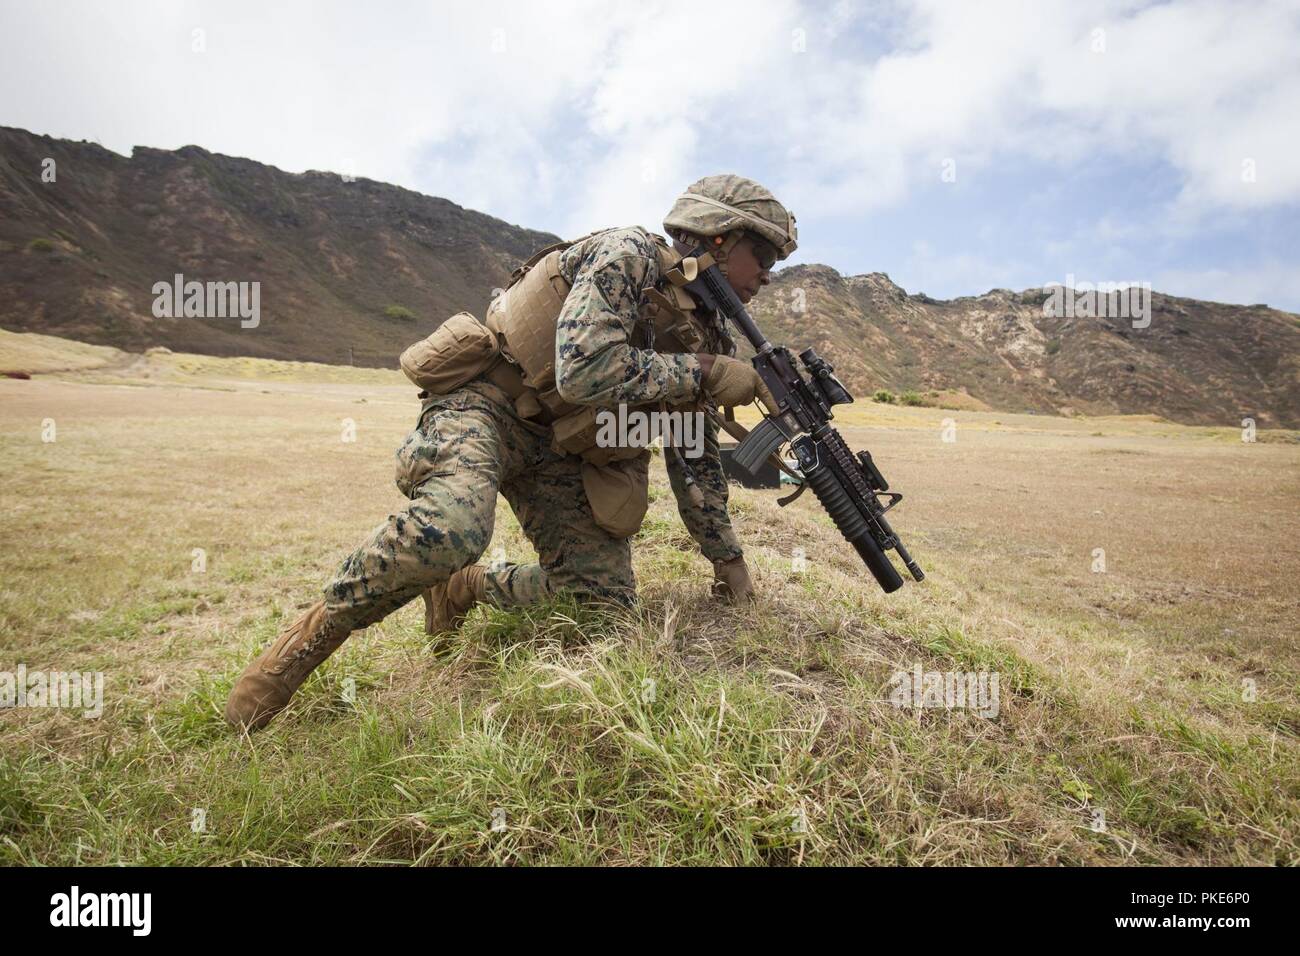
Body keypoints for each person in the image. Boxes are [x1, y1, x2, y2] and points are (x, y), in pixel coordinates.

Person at [225, 174, 797, 730]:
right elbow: (585, 369)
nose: (767, 277)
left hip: (563, 451)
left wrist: (728, 563)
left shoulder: (710, 337)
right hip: (488, 406)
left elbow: (691, 453)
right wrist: (706, 372)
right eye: (762, 258)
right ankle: (307, 643)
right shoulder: (628, 256)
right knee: (453, 529)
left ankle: (464, 587)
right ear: (718, 237)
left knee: (602, 604)